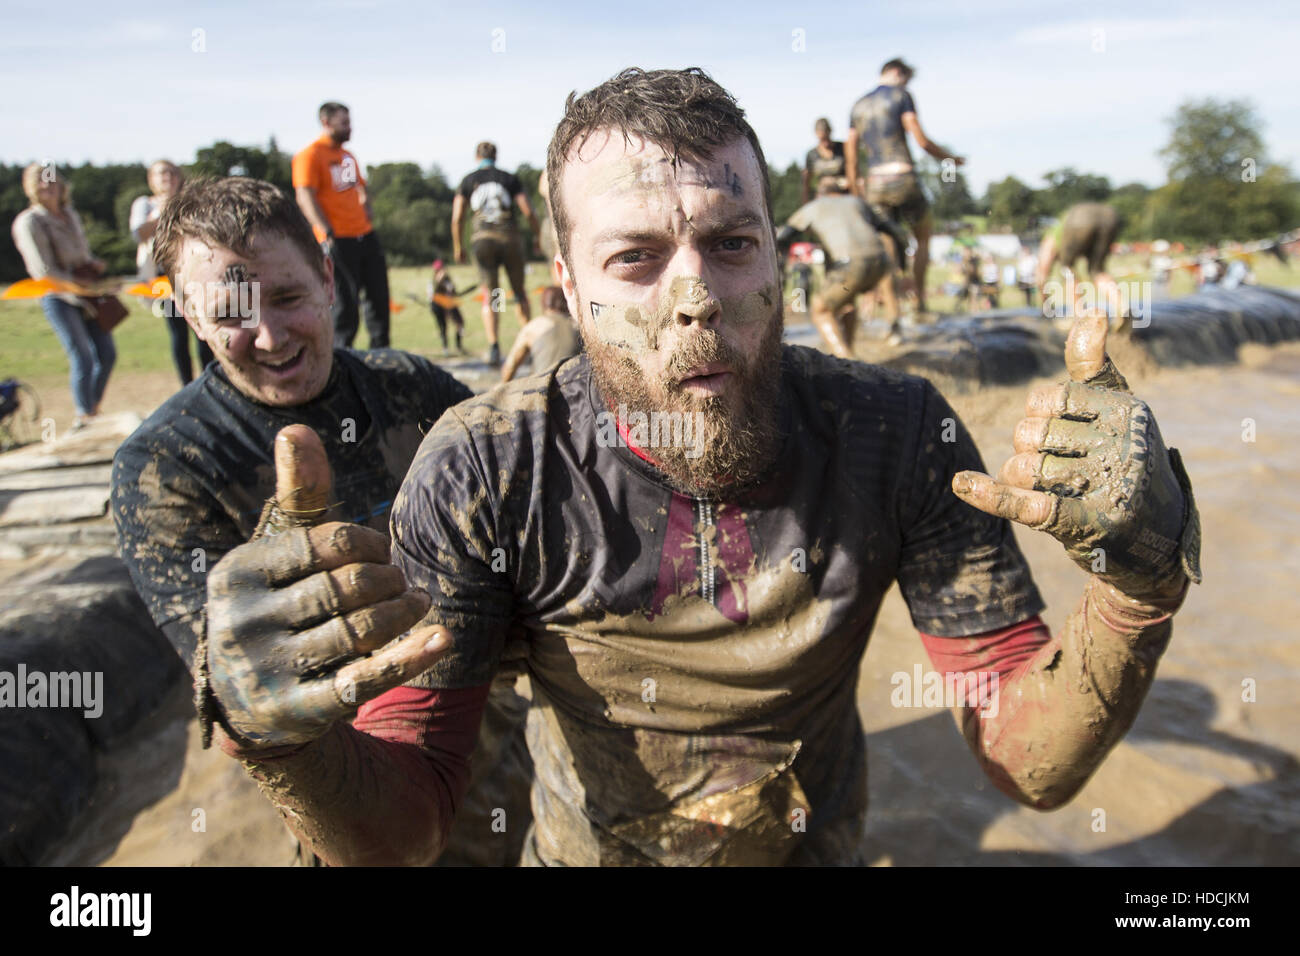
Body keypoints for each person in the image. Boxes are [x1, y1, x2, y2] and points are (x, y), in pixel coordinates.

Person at [190, 67, 1200, 868]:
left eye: (730, 242)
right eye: (635, 258)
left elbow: (1025, 762)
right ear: (570, 293)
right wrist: (284, 743)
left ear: (776, 258)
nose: (696, 295)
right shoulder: (486, 468)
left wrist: (1137, 590)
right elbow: (406, 824)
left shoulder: (895, 432)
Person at [110, 176, 533, 867]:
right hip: (347, 761)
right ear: (187, 312)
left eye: (287, 297)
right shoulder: (164, 468)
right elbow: (229, 691)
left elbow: (519, 510)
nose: (271, 337)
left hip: (484, 704)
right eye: (232, 313)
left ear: (329, 280)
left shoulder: (413, 388)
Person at [846, 58, 965, 318]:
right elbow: (920, 140)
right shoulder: (902, 96)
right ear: (897, 73)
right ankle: (919, 301)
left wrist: (857, 191)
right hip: (903, 178)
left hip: (875, 184)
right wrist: (950, 158)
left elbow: (851, 155)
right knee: (923, 237)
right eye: (907, 78)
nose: (908, 83)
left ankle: (893, 313)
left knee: (887, 248)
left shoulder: (858, 105)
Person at [11, 163, 116, 430]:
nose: (48, 186)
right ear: (31, 187)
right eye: (41, 181)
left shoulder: (70, 214)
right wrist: (74, 282)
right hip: (58, 296)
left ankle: (92, 408)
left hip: (87, 293)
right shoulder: (29, 222)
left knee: (107, 353)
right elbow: (42, 269)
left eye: (52, 180)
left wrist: (93, 265)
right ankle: (84, 415)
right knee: (82, 356)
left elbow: (81, 252)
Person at [293, 102, 391, 349]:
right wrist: (326, 232)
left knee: (379, 299)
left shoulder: (347, 157)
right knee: (345, 305)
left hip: (364, 235)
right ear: (326, 123)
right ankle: (340, 357)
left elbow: (357, 189)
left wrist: (366, 209)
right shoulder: (310, 155)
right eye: (344, 123)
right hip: (337, 239)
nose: (350, 128)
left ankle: (381, 356)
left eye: (350, 122)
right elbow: (305, 196)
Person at [777, 181, 909, 354]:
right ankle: (853, 349)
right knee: (847, 303)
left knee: (820, 309)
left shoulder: (813, 207)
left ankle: (846, 360)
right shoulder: (856, 202)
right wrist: (903, 265)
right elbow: (894, 230)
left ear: (820, 194)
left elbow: (783, 237)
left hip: (850, 264)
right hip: (881, 261)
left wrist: (780, 266)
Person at [452, 142, 542, 367]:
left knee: (494, 295)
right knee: (519, 292)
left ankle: (494, 346)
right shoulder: (509, 179)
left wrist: (458, 246)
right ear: (496, 156)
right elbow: (529, 211)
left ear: (476, 157)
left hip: (483, 240)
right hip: (509, 238)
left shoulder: (468, 180)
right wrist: (537, 236)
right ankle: (528, 345)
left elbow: (457, 218)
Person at [130, 160, 214, 386]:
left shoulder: (191, 200)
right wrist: (165, 207)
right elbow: (140, 234)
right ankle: (187, 385)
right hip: (163, 278)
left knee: (204, 329)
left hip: (192, 275)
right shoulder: (144, 205)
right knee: (178, 334)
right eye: (161, 173)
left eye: (171, 172)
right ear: (151, 179)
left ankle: (210, 379)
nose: (167, 177)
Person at [1035, 202, 1123, 315]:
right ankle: (1122, 307)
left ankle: (1079, 313)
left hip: (1081, 218)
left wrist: (1045, 303)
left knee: (1067, 268)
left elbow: (1042, 273)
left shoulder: (1050, 236)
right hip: (1110, 216)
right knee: (1097, 271)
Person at [499, 286, 581, 382]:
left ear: (543, 305)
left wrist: (502, 388)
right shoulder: (579, 326)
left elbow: (510, 367)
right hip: (575, 389)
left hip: (541, 389)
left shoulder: (534, 326)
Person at [801, 118, 846, 204]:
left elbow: (853, 169)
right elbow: (806, 184)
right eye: (822, 139)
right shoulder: (812, 155)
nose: (826, 143)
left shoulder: (842, 149)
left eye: (827, 138)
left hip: (843, 193)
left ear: (830, 132)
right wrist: (805, 204)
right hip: (822, 196)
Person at [428, 259, 467, 354]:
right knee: (443, 326)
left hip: (449, 304)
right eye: (439, 269)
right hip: (438, 305)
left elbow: (453, 291)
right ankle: (445, 348)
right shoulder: (433, 281)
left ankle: (459, 346)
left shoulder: (448, 280)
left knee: (460, 323)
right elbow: (431, 295)